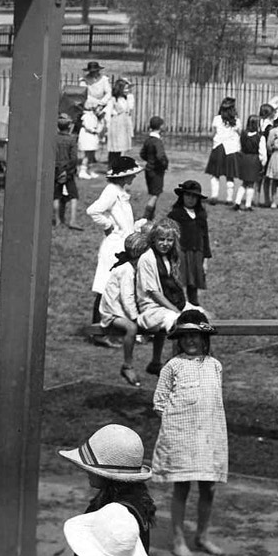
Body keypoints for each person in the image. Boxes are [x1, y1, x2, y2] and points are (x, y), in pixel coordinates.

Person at [153, 306, 228, 556]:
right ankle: (178, 540)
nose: (190, 340)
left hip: (209, 436)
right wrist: (176, 427)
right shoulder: (172, 367)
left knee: (209, 488)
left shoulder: (215, 366)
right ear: (179, 340)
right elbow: (160, 402)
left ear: (204, 338)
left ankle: (202, 535)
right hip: (182, 437)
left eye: (195, 335)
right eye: (185, 336)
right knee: (182, 487)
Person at [87, 153, 142, 333]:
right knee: (104, 286)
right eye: (133, 174)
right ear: (124, 175)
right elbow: (94, 210)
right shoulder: (111, 191)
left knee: (118, 286)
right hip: (113, 247)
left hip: (122, 246)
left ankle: (114, 327)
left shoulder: (120, 192)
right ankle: (98, 331)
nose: (134, 177)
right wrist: (108, 225)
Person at [98, 225, 152, 386]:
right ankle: (127, 365)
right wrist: (135, 317)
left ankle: (157, 361)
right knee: (132, 328)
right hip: (113, 312)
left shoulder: (135, 268)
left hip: (123, 308)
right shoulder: (126, 270)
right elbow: (127, 297)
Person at [134, 217, 188, 376]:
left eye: (169, 240)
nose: (165, 243)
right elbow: (154, 293)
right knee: (178, 321)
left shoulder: (169, 257)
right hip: (150, 307)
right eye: (161, 239)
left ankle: (156, 361)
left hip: (167, 303)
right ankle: (179, 364)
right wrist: (177, 311)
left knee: (200, 315)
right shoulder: (147, 259)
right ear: (154, 239)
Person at [166, 179, 212, 307]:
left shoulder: (201, 215)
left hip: (197, 252)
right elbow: (168, 235)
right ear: (182, 196)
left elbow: (205, 237)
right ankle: (178, 305)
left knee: (193, 283)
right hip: (181, 253)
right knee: (179, 281)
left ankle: (194, 304)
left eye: (194, 196)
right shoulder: (175, 214)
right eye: (188, 195)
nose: (191, 199)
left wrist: (205, 259)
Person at [205, 98, 243, 206]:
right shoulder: (236, 121)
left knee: (215, 174)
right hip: (231, 149)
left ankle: (214, 195)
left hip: (218, 148)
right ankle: (229, 198)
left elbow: (213, 133)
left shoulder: (216, 119)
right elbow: (240, 134)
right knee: (230, 174)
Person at [54, 114, 82, 229]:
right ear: (69, 126)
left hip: (56, 170)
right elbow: (74, 158)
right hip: (68, 171)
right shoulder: (71, 140)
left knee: (56, 196)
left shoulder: (54, 139)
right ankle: (73, 220)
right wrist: (68, 171)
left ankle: (57, 220)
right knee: (74, 196)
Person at [140, 116, 170, 214]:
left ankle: (151, 215)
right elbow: (160, 156)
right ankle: (146, 216)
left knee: (153, 193)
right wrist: (165, 164)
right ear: (160, 127)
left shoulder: (148, 140)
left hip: (148, 169)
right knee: (155, 195)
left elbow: (142, 154)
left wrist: (149, 160)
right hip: (156, 171)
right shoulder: (157, 141)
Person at [107, 78, 136, 157]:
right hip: (116, 125)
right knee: (115, 147)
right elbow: (108, 113)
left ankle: (120, 164)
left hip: (124, 125)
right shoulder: (113, 99)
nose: (127, 90)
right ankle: (112, 165)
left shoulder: (126, 99)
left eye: (128, 89)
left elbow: (130, 108)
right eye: (125, 88)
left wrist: (129, 96)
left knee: (123, 147)